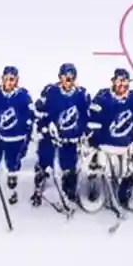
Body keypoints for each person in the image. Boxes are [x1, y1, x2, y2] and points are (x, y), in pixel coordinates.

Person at [86, 68, 133, 207]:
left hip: (125, 146)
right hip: (105, 145)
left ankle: (125, 195)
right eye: (119, 80)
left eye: (124, 81)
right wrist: (94, 134)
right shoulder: (102, 97)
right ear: (113, 81)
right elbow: (92, 118)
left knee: (128, 172)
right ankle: (96, 190)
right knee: (100, 169)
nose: (121, 85)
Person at [32, 62, 90, 206]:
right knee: (44, 161)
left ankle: (69, 191)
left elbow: (87, 116)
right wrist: (46, 126)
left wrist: (83, 133)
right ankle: (39, 186)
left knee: (69, 166)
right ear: (60, 77)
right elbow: (39, 112)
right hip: (50, 138)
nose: (69, 79)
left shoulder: (82, 94)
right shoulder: (50, 91)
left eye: (72, 76)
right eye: (66, 76)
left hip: (70, 139)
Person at [0, 65, 34, 205]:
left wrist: (26, 141)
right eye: (7, 79)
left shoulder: (24, 97)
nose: (9, 82)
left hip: (16, 139)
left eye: (12, 79)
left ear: (17, 81)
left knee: (13, 163)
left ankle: (12, 186)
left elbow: (30, 120)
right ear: (2, 79)